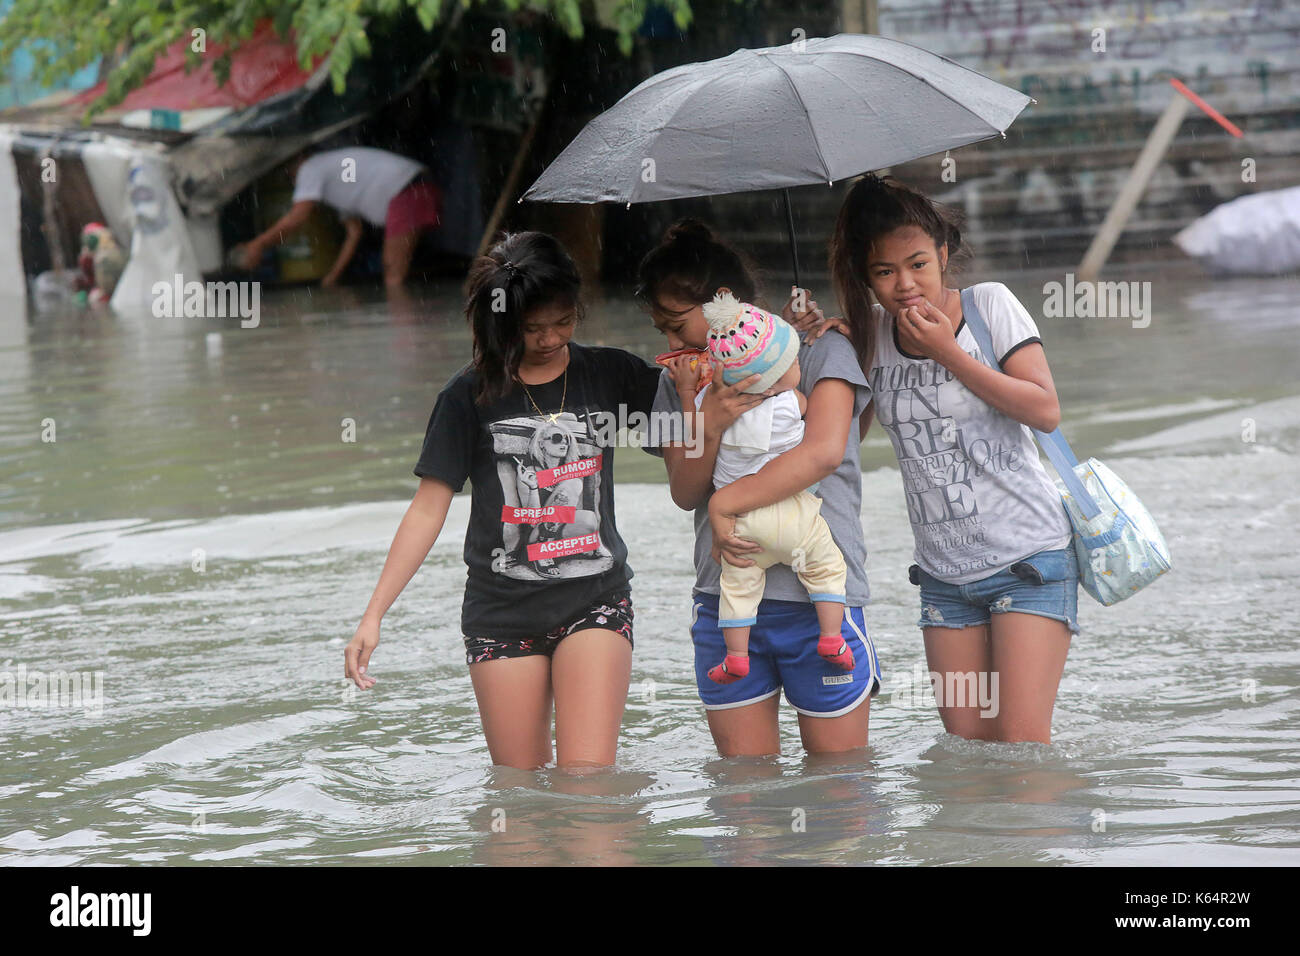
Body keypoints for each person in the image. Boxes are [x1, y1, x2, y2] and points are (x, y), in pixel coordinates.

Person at [344, 231, 663, 770]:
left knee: (587, 780)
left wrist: (777, 358)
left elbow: (695, 435)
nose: (550, 338)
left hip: (595, 600)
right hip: (500, 615)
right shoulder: (467, 397)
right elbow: (428, 507)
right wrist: (374, 614)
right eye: (533, 328)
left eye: (564, 322)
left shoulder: (611, 375)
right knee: (517, 801)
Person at [803, 173, 1079, 744]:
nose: (905, 285)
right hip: (943, 578)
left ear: (944, 255)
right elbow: (840, 444)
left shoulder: (988, 305)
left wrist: (948, 352)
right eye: (884, 271)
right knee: (968, 756)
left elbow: (1045, 409)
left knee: (1021, 749)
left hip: (1029, 560)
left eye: (918, 264)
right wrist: (813, 355)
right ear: (864, 276)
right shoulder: (870, 337)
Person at [640, 219, 881, 758]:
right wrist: (708, 422)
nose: (672, 342)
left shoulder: (820, 350)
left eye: (679, 324)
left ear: (722, 302)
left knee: (840, 788)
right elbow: (684, 491)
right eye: (663, 328)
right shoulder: (679, 381)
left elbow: (825, 453)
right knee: (745, 799)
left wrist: (729, 502)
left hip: (820, 600)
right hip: (727, 601)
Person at [691, 291, 854, 684]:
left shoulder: (710, 407)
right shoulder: (791, 402)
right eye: (793, 360)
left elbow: (695, 431)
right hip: (794, 516)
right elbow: (833, 440)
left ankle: (736, 656)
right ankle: (832, 638)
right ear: (777, 375)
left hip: (740, 527)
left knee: (738, 588)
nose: (799, 364)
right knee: (827, 567)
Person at [239, 146, 441, 289]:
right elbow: (354, 234)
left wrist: (258, 244)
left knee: (393, 274)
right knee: (396, 271)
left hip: (407, 189)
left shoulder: (310, 168)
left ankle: (405, 336)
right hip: (418, 186)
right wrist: (332, 278)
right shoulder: (337, 186)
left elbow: (297, 217)